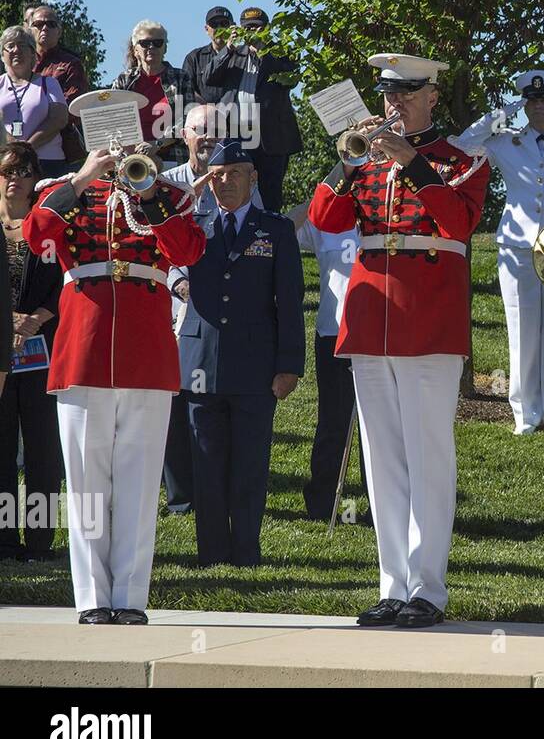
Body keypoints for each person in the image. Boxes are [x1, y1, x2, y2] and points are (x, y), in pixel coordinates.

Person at [309, 53, 489, 628]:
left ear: (433, 96)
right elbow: (325, 217)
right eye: (388, 94)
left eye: (407, 94)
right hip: (370, 315)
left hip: (427, 319)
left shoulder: (462, 160)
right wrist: (343, 163)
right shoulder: (365, 160)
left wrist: (411, 162)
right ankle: (393, 584)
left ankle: (428, 590)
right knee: (381, 458)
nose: (394, 104)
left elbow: (457, 223)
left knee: (427, 454)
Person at [24, 89, 205, 625]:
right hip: (83, 345)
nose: (113, 138)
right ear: (83, 135)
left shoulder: (165, 190)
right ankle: (92, 598)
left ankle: (129, 597)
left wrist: (147, 191)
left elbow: (189, 251)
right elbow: (36, 236)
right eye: (101, 127)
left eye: (121, 124)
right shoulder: (62, 190)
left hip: (146, 347)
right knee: (85, 480)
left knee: (139, 477)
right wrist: (83, 177)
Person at [174, 140, 303, 565]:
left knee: (249, 466)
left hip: (254, 366)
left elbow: (289, 301)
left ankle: (246, 551)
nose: (224, 182)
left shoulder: (276, 229)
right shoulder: (193, 224)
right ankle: (210, 553)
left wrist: (289, 366)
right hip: (200, 364)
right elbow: (163, 243)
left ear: (253, 177)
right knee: (206, 466)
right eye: (216, 175)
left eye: (233, 174)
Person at [466, 70, 544, 435]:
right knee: (521, 330)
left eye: (543, 100)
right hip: (516, 245)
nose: (538, 106)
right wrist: (502, 113)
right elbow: (463, 144)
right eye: (531, 101)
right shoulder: (506, 142)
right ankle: (526, 415)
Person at [0, 143, 63, 560]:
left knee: (43, 451)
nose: (13, 178)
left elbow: (66, 280)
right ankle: (4, 541)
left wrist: (35, 319)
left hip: (44, 348)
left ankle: (41, 541)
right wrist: (9, 321)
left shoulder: (48, 226)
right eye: (6, 170)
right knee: (2, 451)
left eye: (23, 170)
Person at [287, 201, 365, 521]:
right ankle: (323, 503)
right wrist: (327, 192)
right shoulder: (325, 218)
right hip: (333, 333)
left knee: (380, 428)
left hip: (380, 333)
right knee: (332, 421)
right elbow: (283, 228)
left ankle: (382, 503)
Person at [206, 8, 302, 212]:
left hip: (271, 138)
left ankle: (271, 237)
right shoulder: (233, 53)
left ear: (267, 29)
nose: (252, 32)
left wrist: (263, 52)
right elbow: (209, 78)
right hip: (238, 134)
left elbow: (291, 80)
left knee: (270, 193)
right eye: (247, 28)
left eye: (257, 28)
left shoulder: (281, 53)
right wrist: (228, 48)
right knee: (238, 189)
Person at [111, 20, 193, 158]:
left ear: (165, 48)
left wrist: (157, 144)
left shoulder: (180, 78)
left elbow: (187, 120)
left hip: (173, 158)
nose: (151, 47)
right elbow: (113, 120)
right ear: (135, 49)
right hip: (131, 158)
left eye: (158, 43)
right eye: (145, 43)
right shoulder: (124, 80)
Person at [1, 26, 70, 179]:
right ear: (2, 54)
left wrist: (27, 149)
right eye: (10, 46)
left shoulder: (49, 83)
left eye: (22, 45)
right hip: (4, 163)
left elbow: (59, 119)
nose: (16, 50)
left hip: (47, 163)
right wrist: (10, 152)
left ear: (33, 53)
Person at [29, 5, 90, 168]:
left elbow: (73, 109)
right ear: (29, 30)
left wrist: (32, 115)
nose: (44, 28)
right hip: (19, 148)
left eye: (51, 24)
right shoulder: (19, 65)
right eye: (38, 24)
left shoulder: (71, 64)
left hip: (61, 153)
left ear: (59, 32)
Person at [182, 6, 235, 105]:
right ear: (206, 29)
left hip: (238, 116)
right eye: (214, 24)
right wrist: (207, 110)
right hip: (205, 117)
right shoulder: (194, 58)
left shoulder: (243, 55)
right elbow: (186, 89)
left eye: (224, 23)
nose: (219, 28)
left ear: (232, 27)